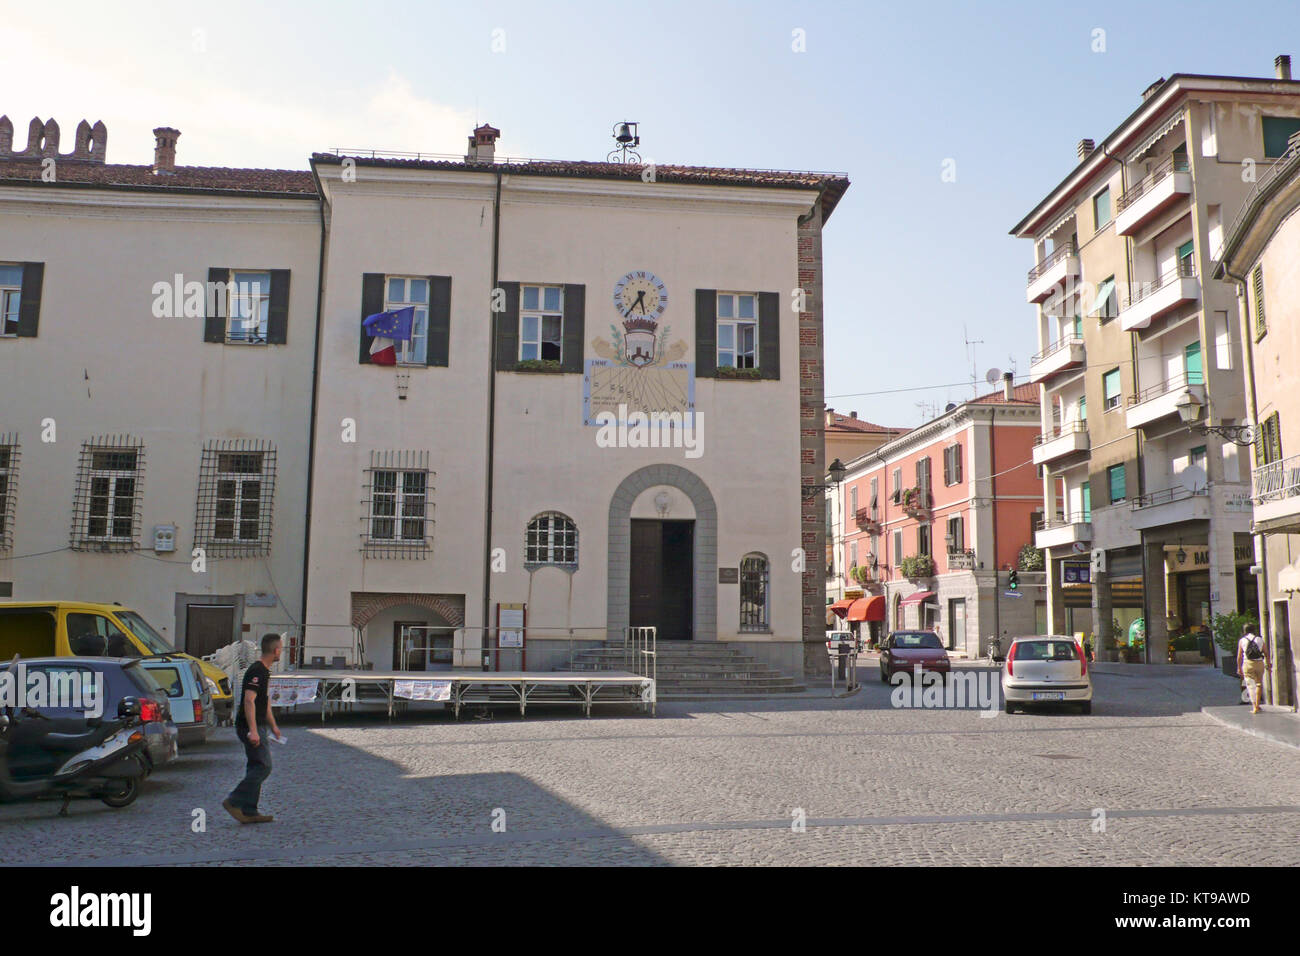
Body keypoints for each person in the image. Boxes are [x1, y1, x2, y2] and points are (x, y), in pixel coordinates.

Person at [223, 634, 284, 824]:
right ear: (275, 651)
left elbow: (263, 702)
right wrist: (253, 730)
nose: (280, 651)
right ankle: (234, 801)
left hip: (258, 725)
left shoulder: (265, 672)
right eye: (280, 648)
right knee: (264, 766)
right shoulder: (257, 671)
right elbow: (249, 700)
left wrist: (273, 726)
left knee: (255, 765)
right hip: (249, 726)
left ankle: (249, 810)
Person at [1236, 623, 1269, 715]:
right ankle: (1258, 704)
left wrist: (1239, 667)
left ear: (1244, 631)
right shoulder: (1260, 639)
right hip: (1259, 663)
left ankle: (1255, 706)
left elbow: (1239, 656)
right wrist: (1269, 664)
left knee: (1250, 685)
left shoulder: (1242, 640)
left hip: (1248, 664)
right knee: (1259, 684)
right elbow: (1266, 653)